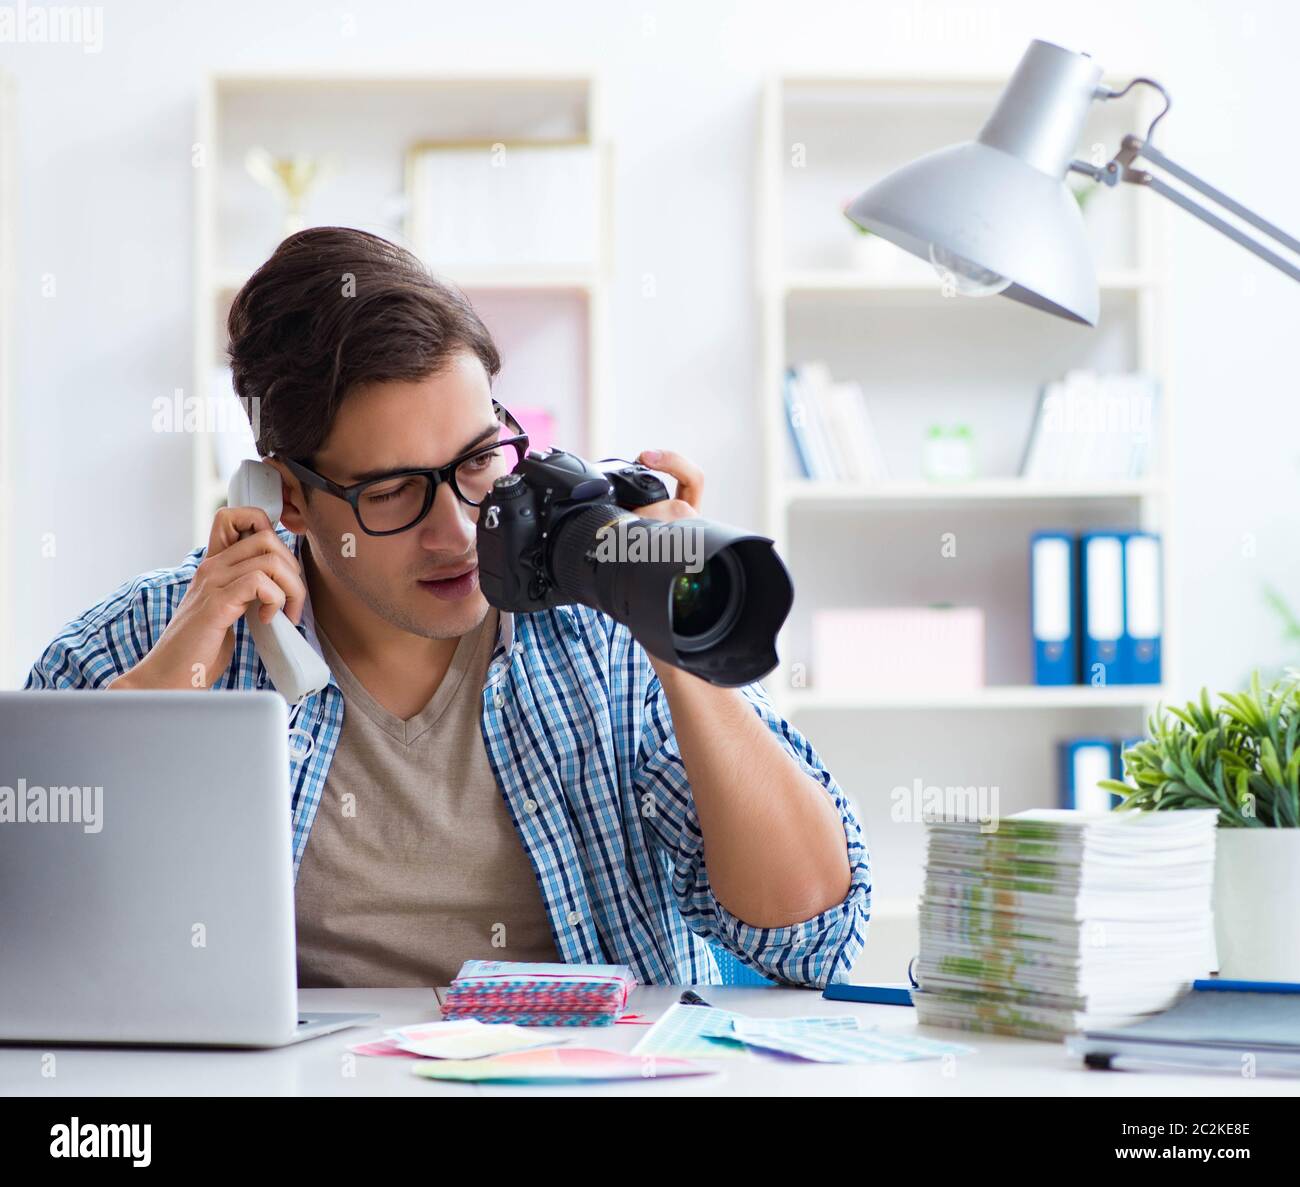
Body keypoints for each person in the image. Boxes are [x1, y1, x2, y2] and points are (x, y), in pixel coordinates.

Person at [25, 227, 871, 988]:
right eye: (392, 491)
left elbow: (810, 935)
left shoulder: (598, 624)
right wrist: (166, 692)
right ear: (285, 495)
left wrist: (672, 629)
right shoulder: (153, 640)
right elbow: (30, 933)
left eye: (478, 462)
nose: (456, 529)